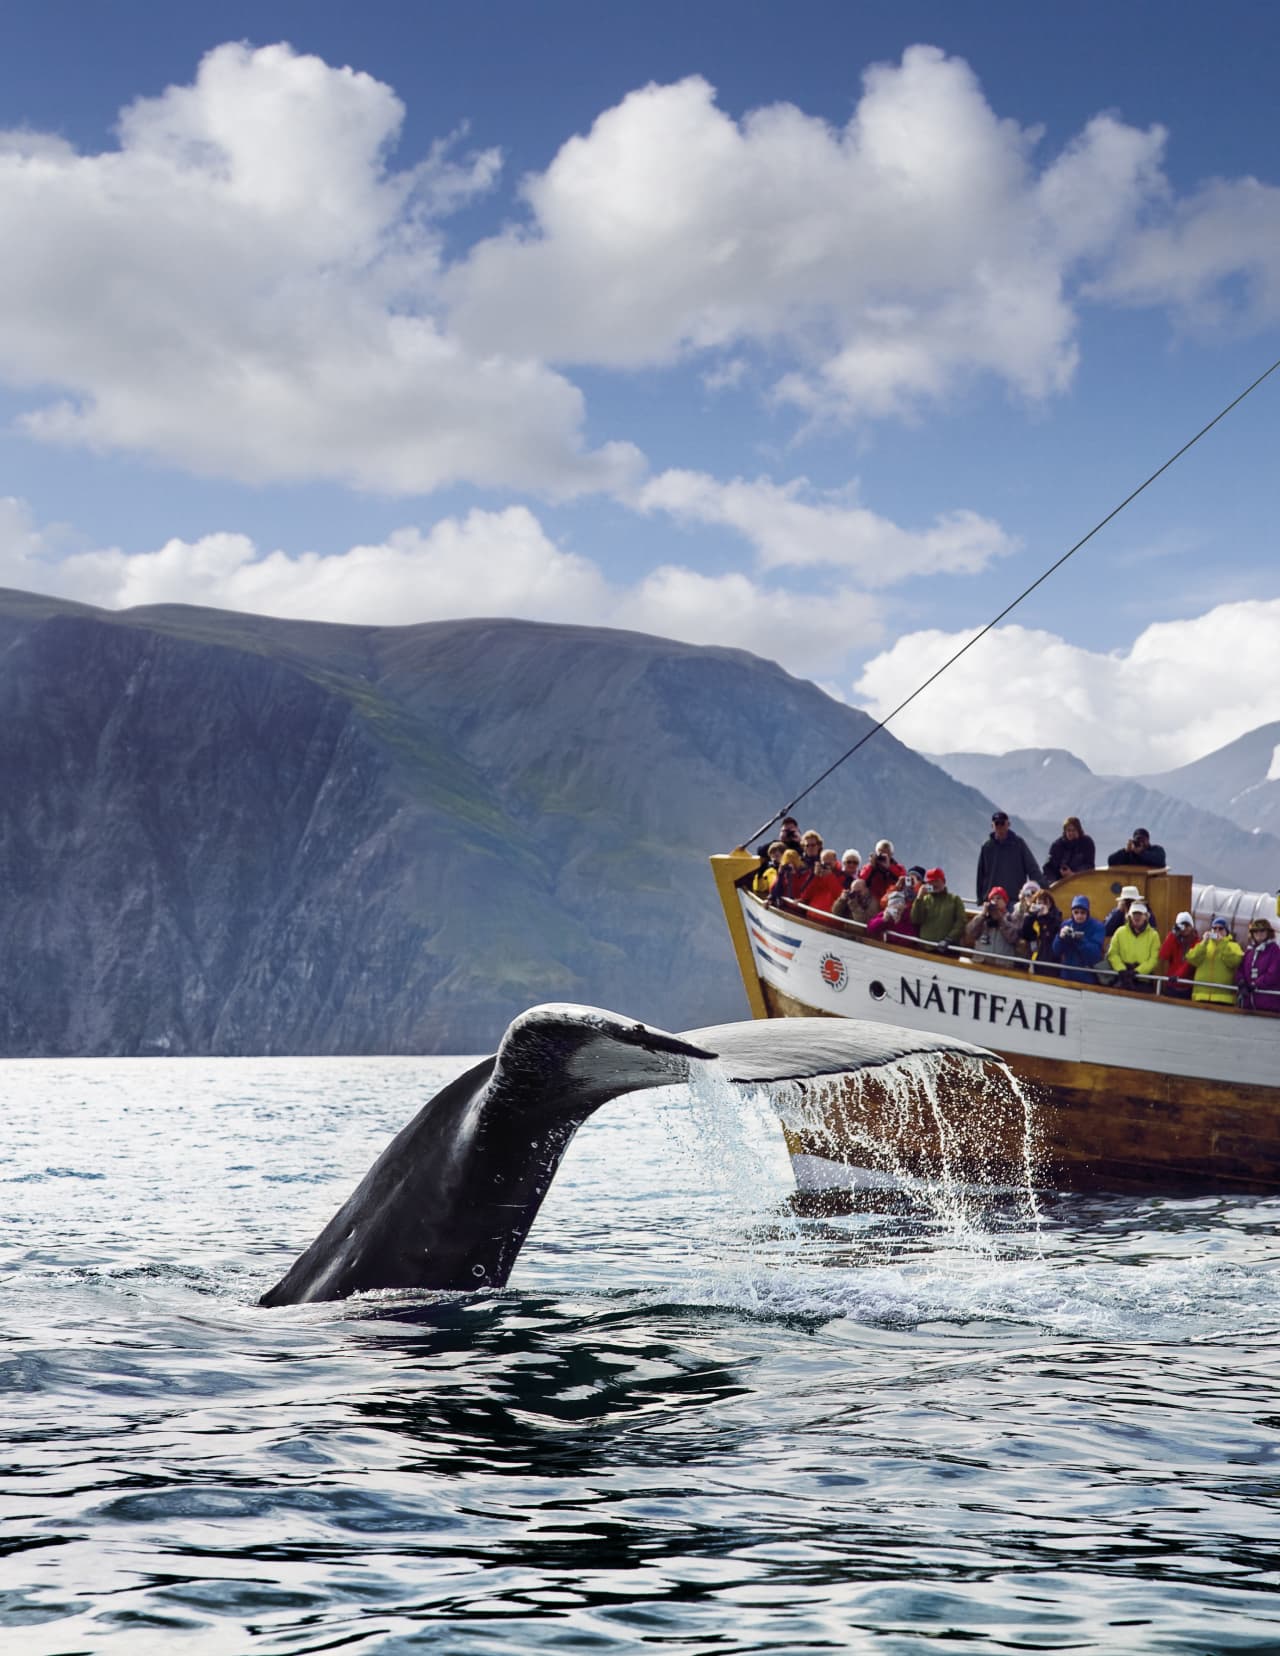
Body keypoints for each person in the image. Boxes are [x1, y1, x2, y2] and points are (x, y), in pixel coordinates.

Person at [976, 811, 1040, 906]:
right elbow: (981, 874)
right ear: (992, 826)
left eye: (1002, 823)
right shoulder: (987, 847)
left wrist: (1042, 889)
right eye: (997, 823)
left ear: (1008, 824)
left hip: (1014, 900)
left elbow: (1032, 868)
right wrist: (980, 898)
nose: (1000, 826)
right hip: (992, 900)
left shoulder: (1018, 844)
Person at [1185, 917, 1243, 1004]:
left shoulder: (1233, 946)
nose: (1217, 931)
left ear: (1226, 931)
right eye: (1214, 928)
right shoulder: (1204, 944)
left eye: (1220, 928)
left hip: (1223, 998)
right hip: (1201, 995)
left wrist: (1222, 944)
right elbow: (1191, 959)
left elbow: (1235, 962)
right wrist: (1204, 942)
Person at [1051, 895, 1106, 984]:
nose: (1079, 916)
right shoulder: (1066, 924)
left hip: (1088, 976)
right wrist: (1060, 938)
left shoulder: (1097, 927)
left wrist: (1080, 940)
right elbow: (1056, 951)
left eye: (1082, 912)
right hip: (1067, 974)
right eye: (1076, 912)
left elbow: (1095, 956)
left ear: (1087, 912)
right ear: (1072, 912)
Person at [1107, 901, 1160, 991]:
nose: (1137, 916)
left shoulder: (1154, 935)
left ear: (1146, 916)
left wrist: (1137, 971)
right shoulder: (1120, 932)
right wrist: (1121, 969)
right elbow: (1112, 954)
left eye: (1140, 914)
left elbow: (1154, 959)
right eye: (1134, 914)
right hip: (1122, 978)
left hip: (1143, 980)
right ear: (1129, 916)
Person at [963, 886, 1024, 962]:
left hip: (1002, 965)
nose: (995, 901)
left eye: (998, 898)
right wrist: (982, 915)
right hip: (981, 962)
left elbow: (1014, 937)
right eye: (992, 898)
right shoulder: (983, 919)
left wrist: (1000, 919)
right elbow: (970, 933)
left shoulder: (1011, 919)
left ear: (1005, 902)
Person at [911, 867, 967, 946]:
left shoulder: (955, 899)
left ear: (944, 881)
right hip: (924, 947)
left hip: (947, 948)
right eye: (930, 882)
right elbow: (916, 920)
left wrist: (948, 939)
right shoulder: (924, 899)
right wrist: (919, 897)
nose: (933, 884)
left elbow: (961, 922)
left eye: (936, 881)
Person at [1237, 918, 1280, 1012]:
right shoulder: (1249, 951)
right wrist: (1241, 982)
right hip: (1248, 1004)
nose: (1258, 933)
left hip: (1268, 1005)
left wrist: (1255, 984)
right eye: (1255, 931)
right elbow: (1240, 969)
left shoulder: (1275, 950)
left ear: (1268, 932)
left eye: (1262, 930)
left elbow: (1273, 974)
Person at [1041, 816, 1096, 887]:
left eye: (1074, 830)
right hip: (1059, 884)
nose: (1071, 833)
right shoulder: (1057, 845)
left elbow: (1090, 865)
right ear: (1065, 831)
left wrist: (1073, 874)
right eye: (1069, 830)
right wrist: (1055, 882)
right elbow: (1047, 867)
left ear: (1079, 830)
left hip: (1080, 881)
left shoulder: (1087, 843)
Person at [1020, 888, 1063, 976]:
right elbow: (1025, 934)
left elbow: (1053, 933)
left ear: (1051, 905)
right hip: (1033, 959)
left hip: (1050, 964)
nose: (1042, 906)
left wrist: (1046, 916)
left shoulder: (1055, 918)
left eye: (1045, 903)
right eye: (1039, 903)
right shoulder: (1033, 919)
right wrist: (1030, 915)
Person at [1157, 911, 1198, 998]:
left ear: (1192, 926)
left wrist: (1177, 976)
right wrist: (1173, 934)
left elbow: (1190, 963)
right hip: (1171, 984)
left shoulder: (1197, 942)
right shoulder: (1174, 939)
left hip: (1186, 986)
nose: (1185, 928)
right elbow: (1163, 955)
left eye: (1187, 925)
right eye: (1182, 926)